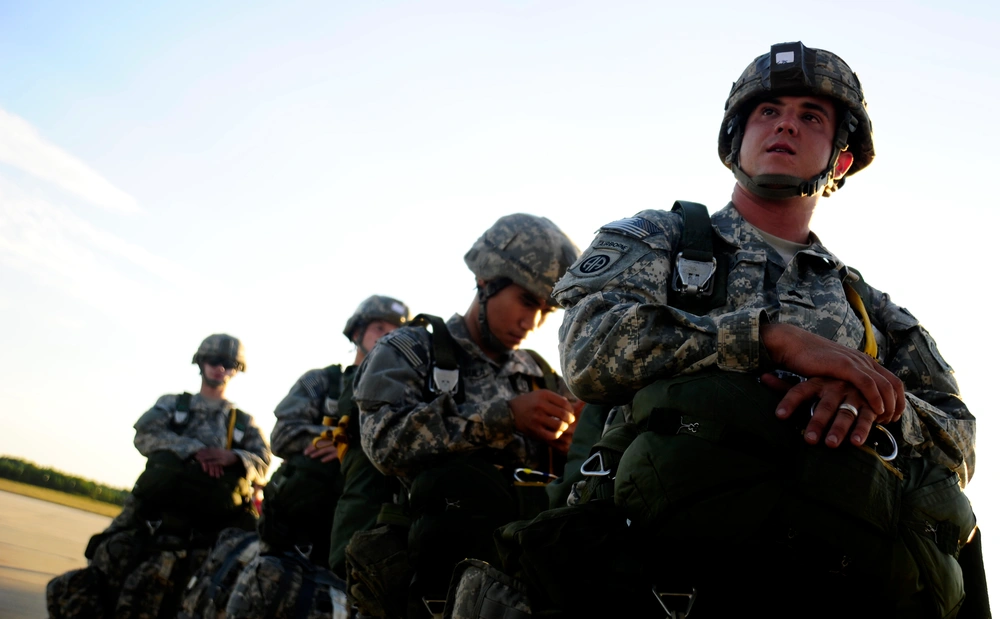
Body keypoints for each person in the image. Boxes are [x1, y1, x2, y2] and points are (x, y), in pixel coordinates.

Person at [553, 42, 980, 618]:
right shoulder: (660, 239)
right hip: (661, 575)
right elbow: (588, 353)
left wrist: (869, 401)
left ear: (841, 160)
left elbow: (958, 436)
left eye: (811, 116)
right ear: (736, 139)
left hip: (823, 580)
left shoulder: (871, 310)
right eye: (768, 111)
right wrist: (770, 339)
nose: (786, 125)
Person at [351, 213, 581, 618]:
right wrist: (505, 417)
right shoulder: (411, 350)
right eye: (526, 301)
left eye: (546, 311)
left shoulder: (540, 375)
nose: (531, 322)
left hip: (519, 585)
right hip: (428, 584)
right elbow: (383, 441)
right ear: (486, 281)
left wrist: (570, 445)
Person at [46, 333, 271, 619]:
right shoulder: (174, 405)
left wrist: (233, 458)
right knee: (106, 569)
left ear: (237, 370)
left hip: (208, 532)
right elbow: (144, 435)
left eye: (229, 364)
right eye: (214, 360)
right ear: (201, 362)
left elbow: (263, 461)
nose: (220, 368)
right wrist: (193, 450)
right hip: (153, 519)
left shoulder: (242, 423)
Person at [223, 296, 409, 619]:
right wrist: (337, 439)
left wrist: (353, 444)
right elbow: (283, 435)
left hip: (360, 550)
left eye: (395, 332)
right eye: (379, 328)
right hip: (292, 543)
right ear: (357, 332)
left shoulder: (405, 394)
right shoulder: (323, 382)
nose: (386, 337)